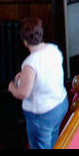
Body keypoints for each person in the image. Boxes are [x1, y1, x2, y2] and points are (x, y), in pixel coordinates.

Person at [8, 17, 68, 149]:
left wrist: (12, 87)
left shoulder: (30, 63)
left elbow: (23, 93)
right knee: (53, 140)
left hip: (42, 113)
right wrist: (24, 76)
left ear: (24, 41)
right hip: (60, 104)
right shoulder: (54, 49)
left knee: (40, 146)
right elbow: (46, 74)